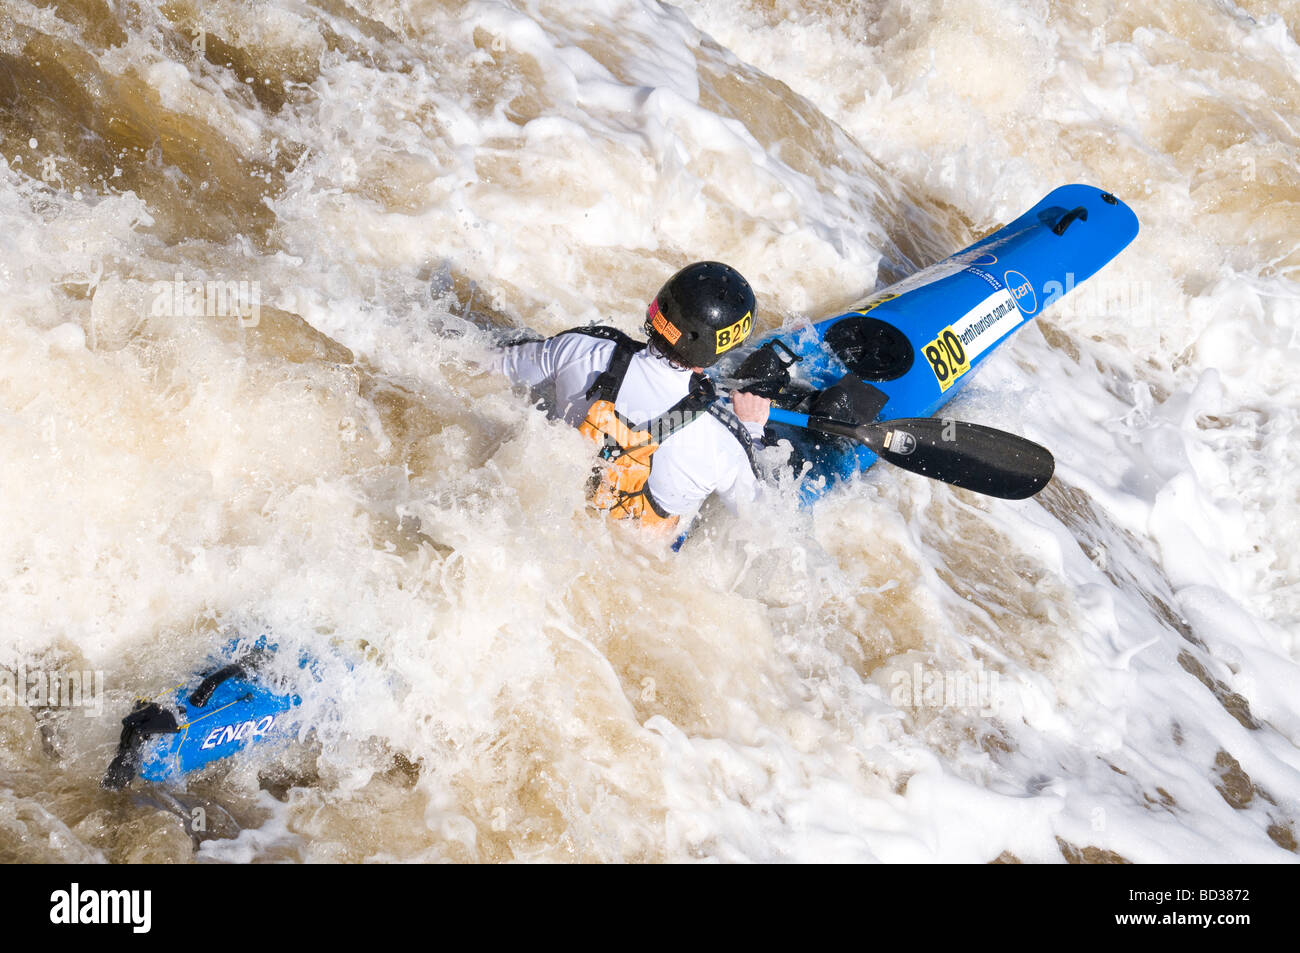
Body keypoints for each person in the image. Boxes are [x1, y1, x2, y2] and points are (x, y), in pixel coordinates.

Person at [496, 261, 771, 533]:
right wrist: (752, 430)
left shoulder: (580, 349)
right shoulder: (721, 440)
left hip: (541, 511)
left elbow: (487, 366)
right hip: (631, 556)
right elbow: (762, 521)